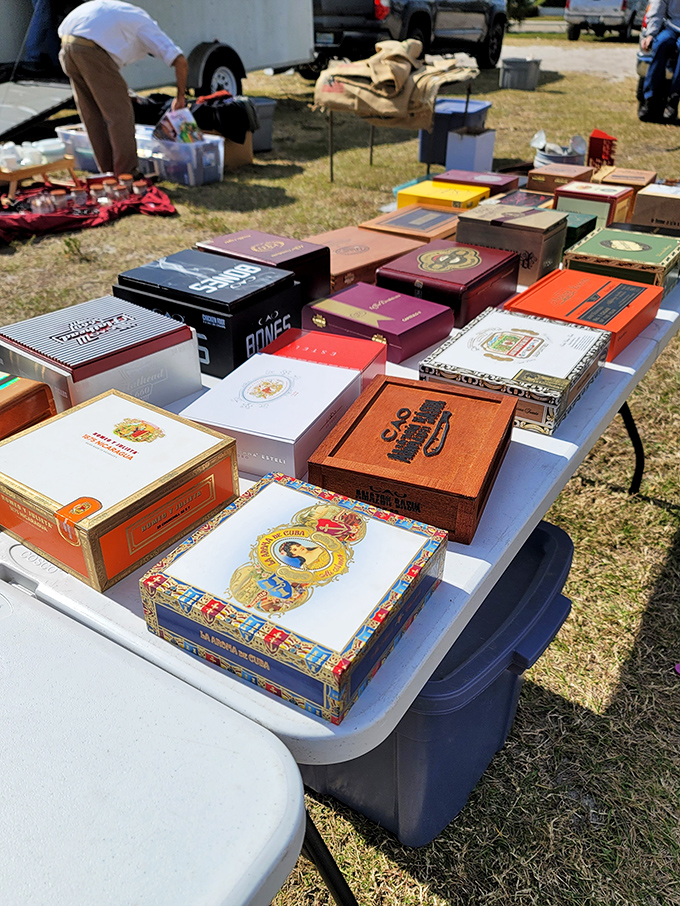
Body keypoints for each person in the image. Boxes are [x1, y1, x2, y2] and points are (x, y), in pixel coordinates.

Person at [58, 1, 188, 176]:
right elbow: (180, 61)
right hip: (91, 48)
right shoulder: (147, 27)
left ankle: (108, 173)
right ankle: (127, 174)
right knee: (120, 114)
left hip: (68, 45)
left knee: (92, 114)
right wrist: (180, 97)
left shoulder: (128, 16)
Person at [639, 0, 680, 122]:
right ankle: (650, 99)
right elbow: (657, 10)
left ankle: (673, 100)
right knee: (661, 43)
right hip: (671, 27)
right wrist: (650, 34)